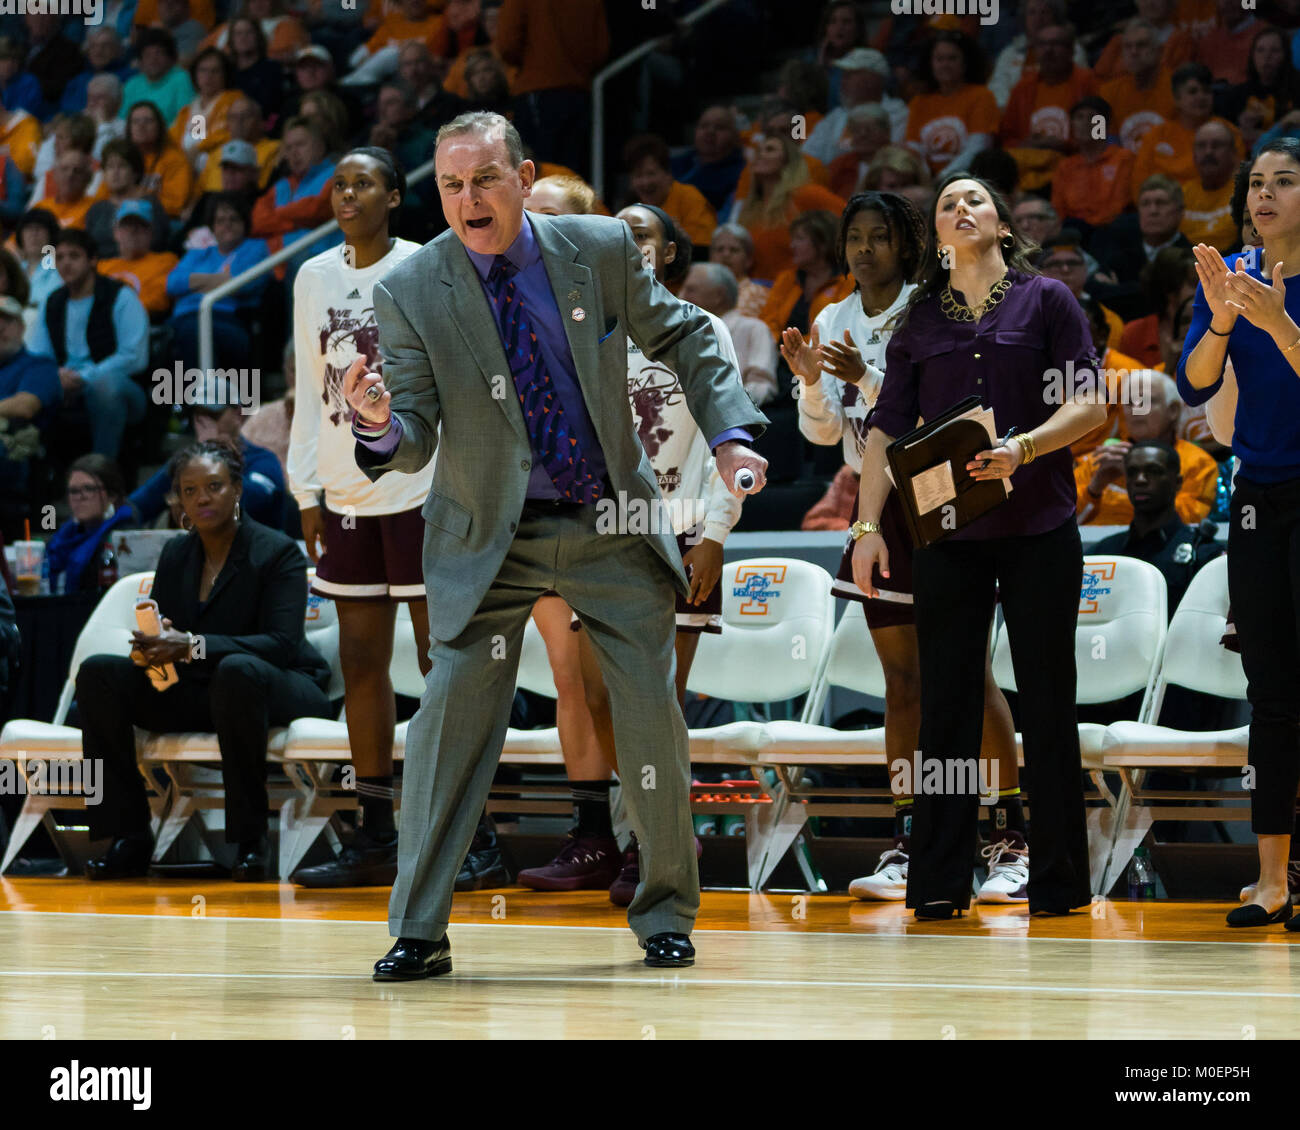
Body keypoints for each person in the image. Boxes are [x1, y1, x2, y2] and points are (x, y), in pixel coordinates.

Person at [346, 111, 767, 978]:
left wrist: (729, 434)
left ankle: (663, 916)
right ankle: (419, 931)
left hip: (607, 518)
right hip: (487, 537)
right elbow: (415, 435)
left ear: (523, 175)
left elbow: (687, 334)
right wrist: (381, 427)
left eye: (486, 180)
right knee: (446, 727)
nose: (469, 199)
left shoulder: (600, 247)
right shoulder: (411, 288)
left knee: (650, 720)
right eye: (452, 185)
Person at [852, 172, 1107, 920]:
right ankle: (937, 883)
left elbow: (1089, 404)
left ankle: (1058, 884)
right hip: (948, 536)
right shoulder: (919, 321)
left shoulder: (1048, 300)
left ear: (1001, 226)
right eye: (945, 205)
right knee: (946, 707)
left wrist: (1024, 449)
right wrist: (867, 527)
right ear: (934, 235)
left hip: (1039, 528)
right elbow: (885, 431)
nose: (960, 210)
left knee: (1048, 702)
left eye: (975, 201)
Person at [788, 192, 1026, 904]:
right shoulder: (832, 317)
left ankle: (1006, 837)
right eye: (854, 237)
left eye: (880, 237)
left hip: (942, 498)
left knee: (969, 676)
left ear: (908, 245)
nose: (865, 249)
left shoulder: (933, 307)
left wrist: (863, 376)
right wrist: (810, 386)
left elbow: (939, 410)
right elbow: (825, 438)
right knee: (903, 684)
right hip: (876, 508)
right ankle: (910, 837)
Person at [520, 204, 747, 904]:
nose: (629, 245)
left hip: (676, 536)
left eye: (643, 234)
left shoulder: (701, 329)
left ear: (671, 253)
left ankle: (660, 844)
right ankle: (653, 829)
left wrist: (713, 535)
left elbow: (726, 443)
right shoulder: (587, 333)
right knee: (597, 698)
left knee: (656, 702)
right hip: (599, 535)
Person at [286, 148, 443, 890]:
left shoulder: (427, 264)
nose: (346, 193)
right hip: (344, 492)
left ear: (394, 195)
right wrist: (307, 491)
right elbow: (305, 385)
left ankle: (457, 831)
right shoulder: (314, 276)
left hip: (421, 485)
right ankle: (376, 832)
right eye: (338, 182)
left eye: (362, 183)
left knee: (442, 665)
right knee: (359, 664)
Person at [76, 441, 334, 881]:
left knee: (237, 671)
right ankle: (129, 836)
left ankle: (250, 842)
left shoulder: (276, 551)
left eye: (213, 486)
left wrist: (193, 645)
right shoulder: (177, 553)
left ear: (237, 489)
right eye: (189, 490)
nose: (201, 499)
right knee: (99, 673)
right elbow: (167, 632)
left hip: (282, 686)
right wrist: (154, 651)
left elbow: (280, 644)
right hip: (202, 691)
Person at [1178, 136, 1300, 929]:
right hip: (1258, 493)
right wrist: (1224, 317)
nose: (1265, 194)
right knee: (1272, 687)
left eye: (1284, 182)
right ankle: (1272, 879)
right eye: (1257, 183)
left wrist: (1282, 324)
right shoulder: (1230, 277)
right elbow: (1193, 379)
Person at [26, 228, 149, 459]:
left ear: (93, 260)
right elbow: (37, 354)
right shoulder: (53, 301)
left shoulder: (120, 296)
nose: (65, 264)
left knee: (105, 386)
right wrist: (55, 376)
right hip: (66, 384)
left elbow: (134, 356)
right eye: (59, 257)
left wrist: (84, 378)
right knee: (27, 382)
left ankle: (102, 472)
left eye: (74, 256)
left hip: (123, 389)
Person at [128, 376, 285, 530]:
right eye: (198, 416)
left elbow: (255, 503)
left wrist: (215, 460)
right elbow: (136, 506)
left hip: (256, 551)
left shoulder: (263, 461)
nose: (204, 424)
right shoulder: (183, 463)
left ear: (238, 414)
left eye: (213, 416)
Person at [1091, 440, 1224, 614]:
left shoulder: (1204, 555)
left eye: (1153, 471)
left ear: (1177, 482)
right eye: (1132, 472)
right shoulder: (1103, 554)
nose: (1140, 480)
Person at [1076, 369, 1218, 526]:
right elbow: (1064, 520)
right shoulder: (1100, 460)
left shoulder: (1198, 463)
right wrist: (1095, 487)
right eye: (1129, 402)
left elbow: (1188, 522)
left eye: (1145, 401)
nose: (1136, 410)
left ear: (1173, 410)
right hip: (1099, 549)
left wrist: (1133, 478)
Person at [166, 193, 268, 371]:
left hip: (229, 320)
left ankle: (203, 395)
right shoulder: (198, 253)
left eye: (233, 219)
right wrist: (221, 280)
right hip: (184, 318)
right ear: (212, 227)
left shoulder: (256, 248)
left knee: (192, 332)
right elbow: (172, 283)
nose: (226, 225)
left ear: (244, 223)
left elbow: (246, 283)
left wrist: (194, 283)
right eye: (220, 221)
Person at [0, 294, 60, 532]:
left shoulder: (39, 365)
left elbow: (26, 406)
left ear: (22, 327)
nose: (0, 328)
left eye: (7, 322)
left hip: (17, 456)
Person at [679, 262, 777, 407]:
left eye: (690, 290)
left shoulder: (754, 329)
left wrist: (724, 408)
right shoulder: (681, 332)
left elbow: (761, 386)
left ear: (718, 296)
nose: (680, 296)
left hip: (731, 421)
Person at [903, 31, 998, 179]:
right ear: (931, 63)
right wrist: (925, 179)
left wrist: (943, 178)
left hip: (969, 178)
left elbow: (978, 147)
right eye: (939, 59)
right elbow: (913, 149)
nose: (945, 65)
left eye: (952, 58)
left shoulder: (982, 96)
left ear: (965, 62)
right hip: (926, 182)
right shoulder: (919, 102)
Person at [44, 454, 136, 594]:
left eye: (89, 489)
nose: (80, 497)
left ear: (111, 495)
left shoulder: (123, 535)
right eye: (73, 491)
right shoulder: (65, 535)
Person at [623, 134, 716, 253]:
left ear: (668, 174)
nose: (645, 182)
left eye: (651, 174)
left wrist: (679, 238)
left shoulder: (689, 197)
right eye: (638, 176)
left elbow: (703, 249)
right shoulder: (630, 207)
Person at [83, 140, 170, 258]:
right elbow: (88, 250)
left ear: (135, 172)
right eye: (110, 167)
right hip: (103, 269)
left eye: (122, 166)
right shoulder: (96, 209)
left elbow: (159, 243)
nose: (115, 172)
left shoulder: (150, 204)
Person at [97, 201, 179, 318]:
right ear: (116, 232)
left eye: (141, 225)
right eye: (127, 225)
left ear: (151, 232)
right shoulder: (101, 267)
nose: (133, 230)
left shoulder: (166, 261)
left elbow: (158, 303)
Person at [126, 99, 195, 218]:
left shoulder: (174, 159)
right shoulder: (122, 157)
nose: (141, 126)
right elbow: (104, 196)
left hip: (159, 219)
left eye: (148, 121)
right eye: (135, 121)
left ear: (159, 126)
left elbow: (175, 204)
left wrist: (137, 198)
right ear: (128, 128)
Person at [121, 30, 195, 126]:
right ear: (140, 61)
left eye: (159, 53)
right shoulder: (132, 84)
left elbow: (186, 120)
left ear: (170, 58)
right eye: (147, 54)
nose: (153, 59)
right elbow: (123, 120)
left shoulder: (181, 78)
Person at [709, 222, 770, 319]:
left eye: (734, 250)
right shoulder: (700, 289)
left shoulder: (757, 293)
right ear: (710, 258)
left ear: (748, 260)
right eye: (720, 249)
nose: (726, 255)